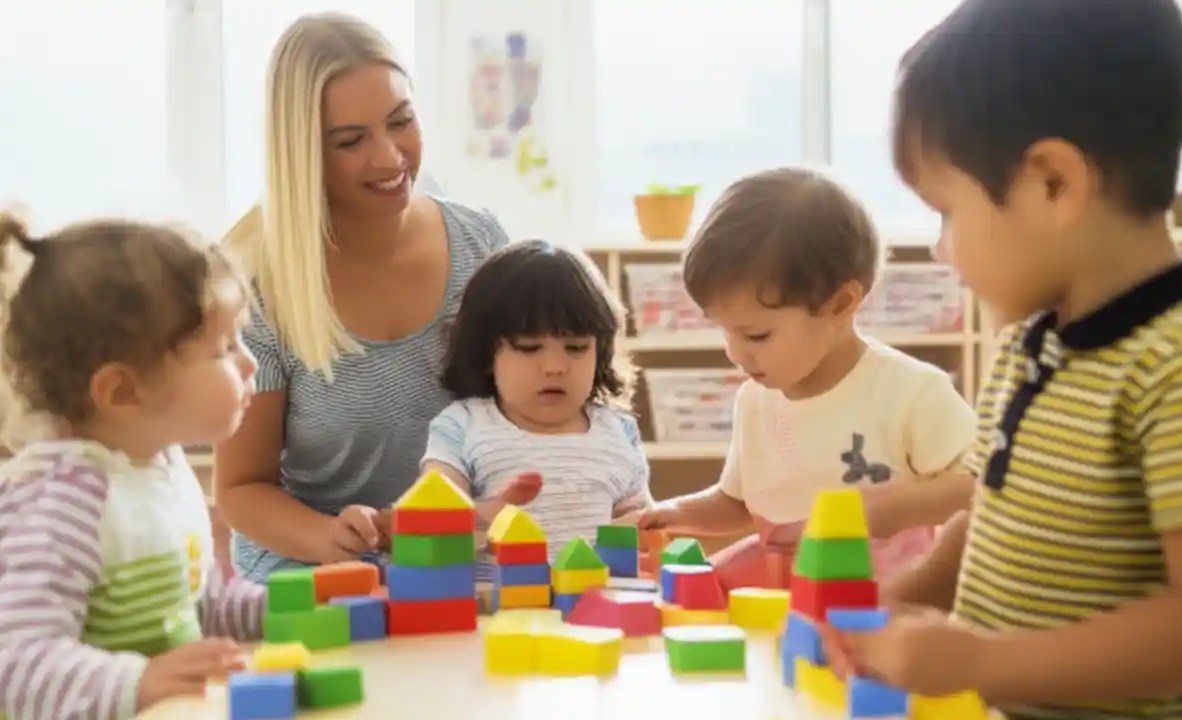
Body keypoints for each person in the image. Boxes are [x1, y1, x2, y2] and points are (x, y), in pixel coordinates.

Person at [819, 1, 1182, 718]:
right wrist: (903, 601)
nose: (942, 249)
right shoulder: (1029, 347)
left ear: (1053, 183)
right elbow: (998, 511)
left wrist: (984, 662)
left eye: (946, 211)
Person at [214, 13, 510, 582]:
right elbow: (241, 487)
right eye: (351, 141)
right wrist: (328, 537)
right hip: (313, 561)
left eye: (401, 122)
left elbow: (524, 416)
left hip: (457, 552)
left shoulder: (482, 245)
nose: (390, 157)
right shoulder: (259, 283)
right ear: (302, 153)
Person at [633, 166, 979, 590]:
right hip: (785, 597)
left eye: (756, 334)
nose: (735, 352)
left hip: (885, 601)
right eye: (726, 331)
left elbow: (980, 487)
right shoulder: (757, 399)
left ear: (841, 303)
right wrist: (680, 511)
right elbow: (740, 502)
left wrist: (889, 507)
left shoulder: (911, 392)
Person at [0, 213, 263, 718]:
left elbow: (200, 606)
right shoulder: (64, 502)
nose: (249, 364)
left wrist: (303, 609)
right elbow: (16, 662)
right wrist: (139, 679)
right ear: (122, 390)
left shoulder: (159, 469)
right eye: (224, 349)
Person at [421, 239, 653, 579]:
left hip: (594, 606)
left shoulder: (618, 429)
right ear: (486, 352)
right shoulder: (463, 425)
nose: (555, 366)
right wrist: (485, 514)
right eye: (530, 348)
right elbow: (431, 521)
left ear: (600, 351)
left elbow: (639, 521)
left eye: (576, 348)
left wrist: (645, 531)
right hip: (495, 611)